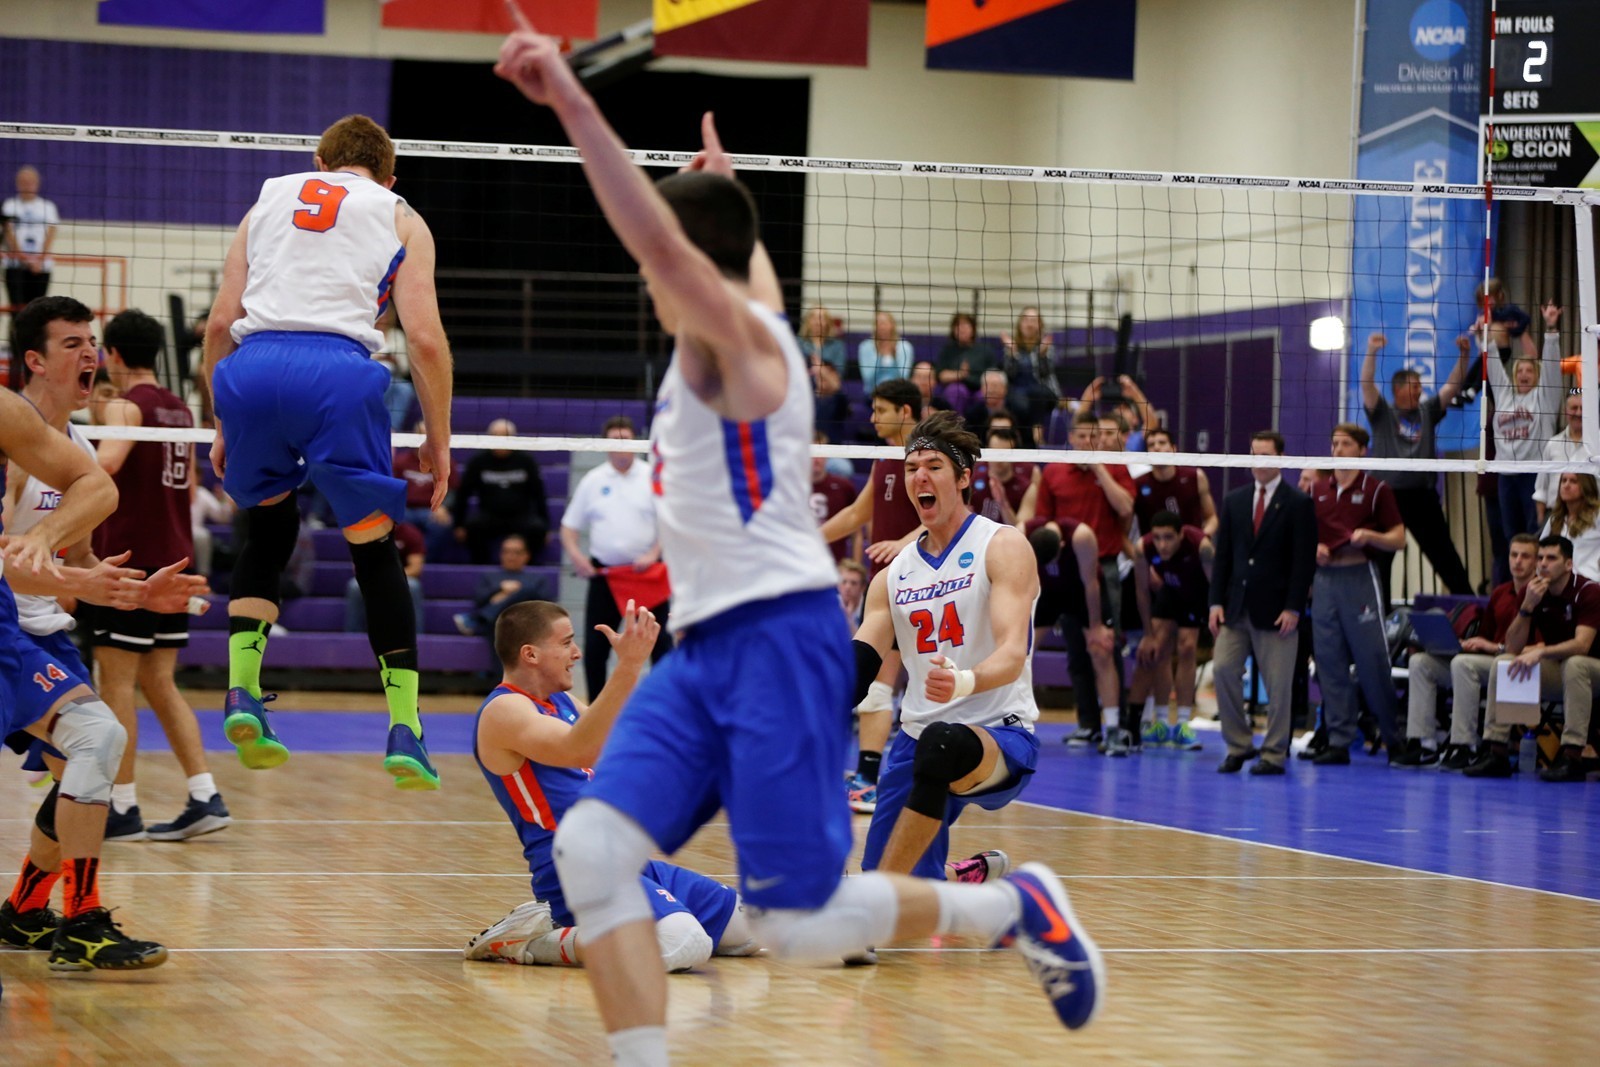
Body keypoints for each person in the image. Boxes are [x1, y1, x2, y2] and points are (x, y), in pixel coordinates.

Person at [494, 23, 1102, 1064]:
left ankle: (1012, 908)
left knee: (805, 927)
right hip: (706, 648)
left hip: (775, 640)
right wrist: (726, 189)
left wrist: (571, 103)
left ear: (691, 263)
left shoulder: (735, 343)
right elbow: (725, 253)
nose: (652, 275)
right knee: (591, 844)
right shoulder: (751, 316)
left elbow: (652, 235)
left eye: (670, 259)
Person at [203, 113, 455, 789]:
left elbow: (222, 321)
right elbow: (425, 340)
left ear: (318, 160)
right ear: (389, 174)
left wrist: (222, 418)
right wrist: (438, 437)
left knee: (270, 526)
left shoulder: (267, 198)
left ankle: (242, 692)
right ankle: (405, 727)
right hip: (338, 374)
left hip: (250, 370)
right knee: (373, 546)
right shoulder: (400, 214)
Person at [463, 600, 759, 970]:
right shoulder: (504, 711)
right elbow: (580, 749)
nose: (577, 652)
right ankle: (534, 940)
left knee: (754, 928)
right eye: (567, 642)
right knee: (686, 942)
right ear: (531, 654)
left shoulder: (561, 701)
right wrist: (631, 665)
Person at [0, 354, 168, 970]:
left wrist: (123, 588)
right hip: (17, 618)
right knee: (92, 749)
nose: (89, 355)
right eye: (72, 343)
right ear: (36, 359)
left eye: (92, 342)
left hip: (35, 629)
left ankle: (55, 912)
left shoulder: (57, 440)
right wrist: (70, 575)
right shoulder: (19, 446)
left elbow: (79, 551)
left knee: (91, 749)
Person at [851, 412, 1038, 884]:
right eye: (911, 468)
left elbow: (1013, 654)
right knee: (902, 886)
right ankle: (960, 876)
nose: (919, 477)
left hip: (998, 734)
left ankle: (874, 905)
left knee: (942, 741)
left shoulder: (1002, 545)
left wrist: (963, 681)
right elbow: (856, 670)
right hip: (918, 741)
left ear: (962, 478)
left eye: (933, 465)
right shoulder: (891, 577)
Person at [91, 308, 229, 841]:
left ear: (113, 355)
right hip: (173, 558)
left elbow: (104, 465)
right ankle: (204, 795)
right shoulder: (177, 408)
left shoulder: (126, 406)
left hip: (131, 563)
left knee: (118, 682)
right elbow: (190, 484)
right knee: (159, 680)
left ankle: (122, 807)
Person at [819, 377, 924, 813]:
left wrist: (904, 543)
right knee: (877, 686)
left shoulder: (925, 455)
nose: (872, 417)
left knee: (881, 689)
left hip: (916, 583)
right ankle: (872, 776)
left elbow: (955, 516)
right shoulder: (883, 455)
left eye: (881, 409)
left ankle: (867, 780)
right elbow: (858, 513)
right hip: (883, 587)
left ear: (905, 411)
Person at [1018, 411, 1135, 748]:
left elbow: (1126, 509)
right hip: (1062, 565)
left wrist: (1098, 466)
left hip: (1104, 565)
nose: (1088, 442)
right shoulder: (1054, 472)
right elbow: (1039, 520)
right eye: (1082, 436)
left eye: (1093, 436)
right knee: (1073, 651)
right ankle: (1087, 723)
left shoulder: (1115, 468)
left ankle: (1116, 726)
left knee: (1103, 646)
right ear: (1072, 438)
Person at [1208, 431, 1318, 774]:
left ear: (1281, 458)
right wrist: (1215, 602)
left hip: (1277, 610)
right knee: (1223, 669)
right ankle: (1239, 745)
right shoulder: (1235, 500)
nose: (1258, 461)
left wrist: (1294, 607)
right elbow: (1223, 555)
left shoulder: (1298, 504)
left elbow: (1304, 562)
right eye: (1254, 454)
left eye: (1265, 455)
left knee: (1278, 686)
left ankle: (1273, 753)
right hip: (1236, 605)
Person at [1304, 424, 1407, 764]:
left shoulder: (1377, 489)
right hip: (1325, 580)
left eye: (1345, 444)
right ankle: (1339, 739)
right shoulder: (1318, 489)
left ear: (1362, 450)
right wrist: (1314, 548)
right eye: (1334, 444)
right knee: (1328, 662)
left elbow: (1399, 538)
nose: (1337, 450)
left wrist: (1369, 536)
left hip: (1360, 577)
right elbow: (1304, 536)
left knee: (1372, 661)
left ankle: (1394, 739)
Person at [1397, 533, 1538, 769]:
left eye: (1525, 556)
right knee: (1421, 662)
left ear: (1536, 562)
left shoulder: (1539, 597)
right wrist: (1465, 643)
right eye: (1514, 555)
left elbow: (1541, 647)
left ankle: (1464, 744)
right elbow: (1485, 635)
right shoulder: (1500, 593)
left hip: (1518, 666)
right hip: (1488, 663)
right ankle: (1424, 744)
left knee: (1464, 665)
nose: (1518, 561)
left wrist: (1492, 647)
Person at [1465, 535, 1598, 783]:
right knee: (1504, 662)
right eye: (1540, 558)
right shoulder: (1532, 591)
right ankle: (1497, 752)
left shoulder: (1588, 591)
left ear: (1568, 564)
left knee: (1575, 664)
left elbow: (1582, 645)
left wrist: (1541, 652)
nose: (1543, 564)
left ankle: (1572, 756)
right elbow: (1513, 647)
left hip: (1593, 668)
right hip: (1563, 672)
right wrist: (1526, 608)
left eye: (1551, 558)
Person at [558, 416, 672, 701]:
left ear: (636, 443)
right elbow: (568, 527)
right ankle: (596, 709)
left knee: (661, 645)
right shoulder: (594, 480)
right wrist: (577, 557)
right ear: (605, 445)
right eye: (615, 440)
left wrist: (654, 552)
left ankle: (663, 705)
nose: (621, 447)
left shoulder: (652, 475)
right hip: (606, 576)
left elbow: (670, 523)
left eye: (626, 440)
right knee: (596, 648)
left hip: (645, 576)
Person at [1360, 332, 1474, 599]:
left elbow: (1451, 387)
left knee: (1445, 556)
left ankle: (1470, 608)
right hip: (1388, 497)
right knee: (1381, 560)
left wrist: (1464, 355)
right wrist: (1371, 351)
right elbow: (1366, 383)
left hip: (1422, 497)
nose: (1419, 389)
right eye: (1414, 385)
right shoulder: (1383, 413)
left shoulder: (1427, 411)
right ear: (1398, 389)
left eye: (1420, 385)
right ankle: (1382, 616)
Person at [1477, 301, 1566, 540]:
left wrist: (1551, 330)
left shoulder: (1544, 397)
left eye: (1529, 370)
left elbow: (1550, 368)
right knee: (1511, 539)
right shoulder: (1505, 394)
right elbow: (1493, 363)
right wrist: (1482, 335)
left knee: (1535, 536)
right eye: (1519, 371)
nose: (1524, 375)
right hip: (1505, 475)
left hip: (1533, 474)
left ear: (1536, 376)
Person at [1130, 511, 1213, 749]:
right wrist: (1147, 633)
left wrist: (1217, 614)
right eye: (1157, 538)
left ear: (1181, 535)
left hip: (1197, 593)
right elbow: (1142, 592)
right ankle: (1162, 722)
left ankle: (1184, 724)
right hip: (1169, 591)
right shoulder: (1142, 548)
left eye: (1168, 538)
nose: (1162, 545)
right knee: (1157, 649)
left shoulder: (1202, 547)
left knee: (1187, 648)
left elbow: (1216, 584)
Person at [451, 419, 551, 564]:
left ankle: (528, 568)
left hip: (520, 516)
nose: (500, 441)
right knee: (472, 527)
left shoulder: (526, 461)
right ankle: (481, 566)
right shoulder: (478, 461)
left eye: (505, 437)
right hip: (490, 516)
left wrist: (546, 526)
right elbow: (463, 494)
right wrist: (458, 524)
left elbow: (539, 495)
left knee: (537, 529)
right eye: (496, 437)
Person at [454, 533, 553, 637]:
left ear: (526, 555)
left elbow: (544, 603)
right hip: (497, 623)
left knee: (527, 592)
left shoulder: (537, 579)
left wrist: (507, 595)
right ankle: (483, 619)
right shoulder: (489, 576)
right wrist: (500, 589)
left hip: (526, 623)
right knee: (499, 622)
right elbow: (479, 599)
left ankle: (478, 619)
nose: (511, 556)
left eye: (517, 552)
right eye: (506, 552)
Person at [1132, 426, 1217, 535]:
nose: (1156, 447)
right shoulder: (1138, 484)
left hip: (1190, 549)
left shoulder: (1195, 477)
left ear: (1173, 449)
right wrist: (1135, 551)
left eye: (1162, 443)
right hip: (1154, 550)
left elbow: (1211, 517)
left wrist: (1201, 539)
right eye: (1151, 445)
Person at [346, 520, 425, 634]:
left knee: (413, 586)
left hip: (402, 578)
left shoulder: (410, 533)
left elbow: (416, 568)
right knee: (355, 586)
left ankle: (416, 636)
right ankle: (352, 636)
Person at [3, 166, 59, 308]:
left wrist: (38, 259)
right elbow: (7, 232)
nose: (27, 186)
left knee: (37, 311)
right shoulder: (9, 205)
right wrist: (24, 259)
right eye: (23, 182)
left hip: (41, 267)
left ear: (37, 184)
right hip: (15, 266)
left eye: (30, 182)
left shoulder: (48, 207)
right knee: (16, 310)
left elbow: (51, 233)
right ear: (17, 184)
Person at [1000, 306, 1059, 425]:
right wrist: (1013, 354)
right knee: (1019, 404)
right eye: (1026, 320)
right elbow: (1009, 376)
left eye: (1033, 320)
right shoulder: (1011, 346)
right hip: (1018, 391)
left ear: (1039, 325)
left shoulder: (1047, 347)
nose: (1029, 324)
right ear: (1020, 324)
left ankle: (1037, 429)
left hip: (1043, 391)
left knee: (1038, 394)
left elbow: (1046, 374)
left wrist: (1042, 356)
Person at [1534, 392, 1585, 527]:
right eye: (1574, 408)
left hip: (1591, 516)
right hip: (1555, 516)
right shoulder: (1552, 444)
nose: (1579, 413)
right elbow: (1541, 490)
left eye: (1583, 408)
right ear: (1565, 411)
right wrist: (1542, 522)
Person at [809, 430, 860, 562]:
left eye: (820, 454)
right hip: (801, 564)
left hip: (835, 565)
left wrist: (856, 565)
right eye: (812, 454)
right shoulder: (793, 488)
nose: (816, 459)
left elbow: (857, 531)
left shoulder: (844, 486)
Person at [1540, 473, 1600, 580]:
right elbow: (1540, 549)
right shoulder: (1555, 519)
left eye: (1573, 481)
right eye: (1564, 481)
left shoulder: (1597, 516)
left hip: (1590, 581)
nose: (1566, 485)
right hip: (1558, 582)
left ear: (1586, 486)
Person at [970, 425, 1032, 527]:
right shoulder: (971, 480)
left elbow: (1020, 531)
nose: (998, 459)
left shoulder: (1027, 488)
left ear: (1015, 454)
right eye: (994, 452)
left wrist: (1003, 503)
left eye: (1004, 453)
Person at [935, 311, 991, 400]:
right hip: (956, 389)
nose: (961, 329)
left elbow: (992, 375)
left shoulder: (985, 350)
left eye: (965, 325)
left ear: (973, 328)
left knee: (986, 395)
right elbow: (941, 375)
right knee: (956, 390)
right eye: (957, 326)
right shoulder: (947, 350)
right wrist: (961, 374)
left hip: (979, 388)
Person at [857, 310, 914, 390]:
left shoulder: (905, 347)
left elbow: (903, 378)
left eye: (884, 323)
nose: (882, 327)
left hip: (897, 393)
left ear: (892, 325)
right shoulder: (865, 347)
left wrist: (894, 358)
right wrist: (880, 357)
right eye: (878, 324)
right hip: (873, 393)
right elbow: (868, 379)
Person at [797, 306, 845, 375]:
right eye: (814, 318)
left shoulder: (837, 345)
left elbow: (839, 374)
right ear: (808, 321)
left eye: (822, 318)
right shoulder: (797, 343)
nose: (817, 322)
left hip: (827, 384)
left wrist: (820, 370)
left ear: (828, 322)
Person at [837, 558, 867, 628]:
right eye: (844, 582)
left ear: (863, 587)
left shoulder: (869, 608)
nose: (848, 587)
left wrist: (849, 621)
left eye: (854, 583)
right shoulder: (831, 604)